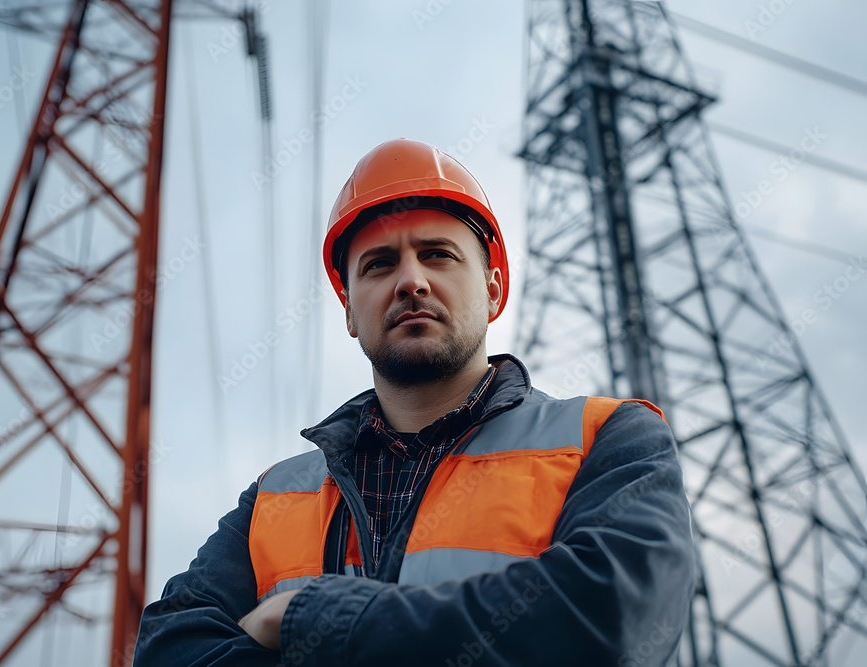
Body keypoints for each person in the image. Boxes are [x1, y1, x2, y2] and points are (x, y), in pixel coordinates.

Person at [133, 139, 694, 666]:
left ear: (494, 288)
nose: (411, 281)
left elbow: (611, 618)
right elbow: (169, 647)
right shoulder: (275, 497)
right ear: (349, 311)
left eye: (438, 255)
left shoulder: (607, 438)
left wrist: (310, 619)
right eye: (378, 264)